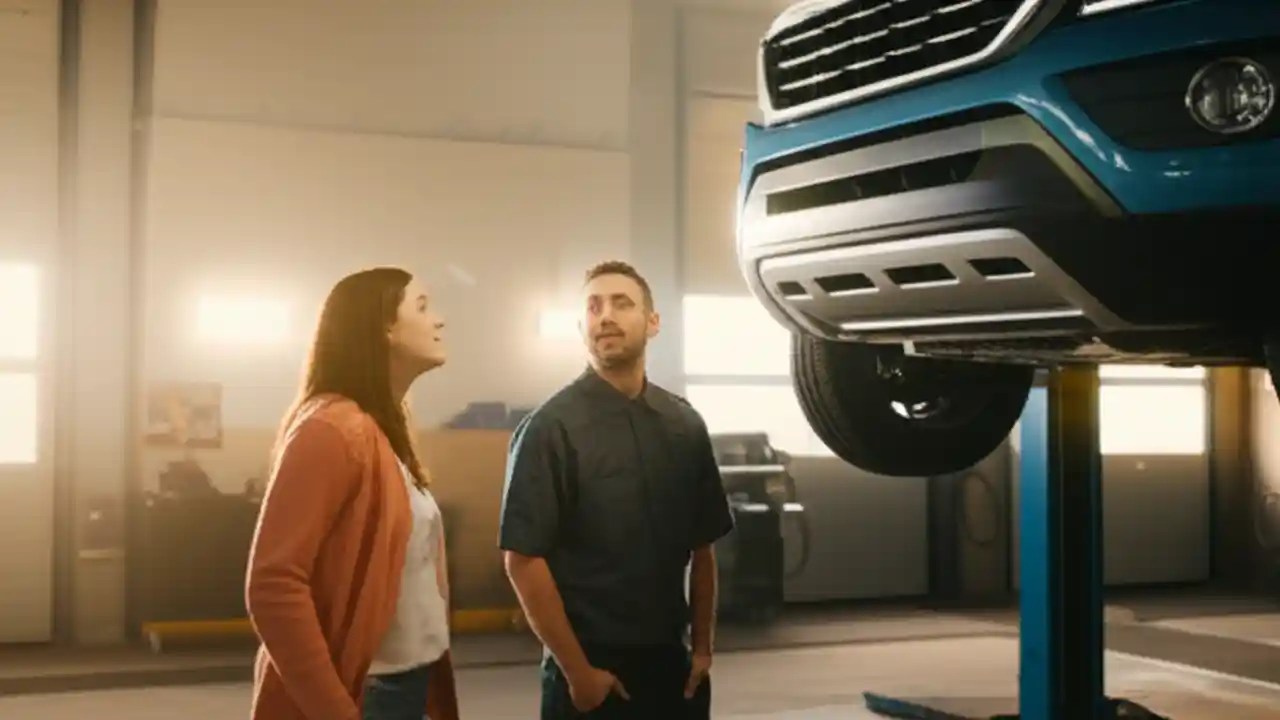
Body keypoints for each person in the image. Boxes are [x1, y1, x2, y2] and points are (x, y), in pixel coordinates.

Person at [499, 260, 736, 719]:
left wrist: (703, 650)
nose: (604, 315)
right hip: (590, 675)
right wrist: (578, 674)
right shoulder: (551, 428)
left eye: (621, 303)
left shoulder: (684, 425)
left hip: (673, 670)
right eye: (592, 306)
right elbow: (522, 560)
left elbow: (702, 548)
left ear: (653, 322)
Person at [245, 267, 460, 720]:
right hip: (365, 692)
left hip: (407, 683)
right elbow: (273, 584)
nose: (439, 320)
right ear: (382, 328)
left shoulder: (381, 428)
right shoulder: (331, 429)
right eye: (422, 307)